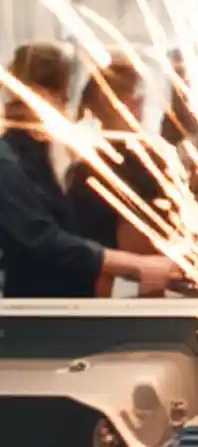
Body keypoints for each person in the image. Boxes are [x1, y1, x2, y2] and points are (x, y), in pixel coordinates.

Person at [0, 42, 178, 298]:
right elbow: (43, 239)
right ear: (38, 96)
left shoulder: (48, 158)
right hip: (34, 314)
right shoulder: (10, 162)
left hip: (62, 305)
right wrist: (136, 265)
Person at [65, 57, 167, 295]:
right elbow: (136, 242)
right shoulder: (135, 164)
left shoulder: (86, 169)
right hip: (127, 287)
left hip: (110, 290)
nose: (140, 101)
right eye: (135, 94)